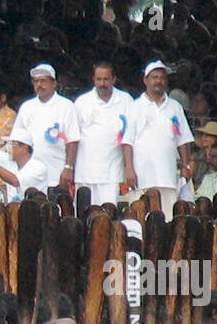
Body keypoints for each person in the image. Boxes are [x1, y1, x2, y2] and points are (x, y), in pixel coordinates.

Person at [125, 60, 193, 216]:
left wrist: (186, 165)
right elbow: (127, 142)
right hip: (141, 175)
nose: (158, 81)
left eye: (162, 78)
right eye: (154, 77)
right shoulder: (134, 107)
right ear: (145, 80)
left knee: (168, 217)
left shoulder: (175, 107)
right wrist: (128, 168)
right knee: (140, 216)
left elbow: (182, 140)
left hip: (167, 176)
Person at [8, 63, 80, 189]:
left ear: (54, 84)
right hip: (29, 172)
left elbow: (72, 140)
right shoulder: (26, 107)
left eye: (43, 81)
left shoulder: (66, 106)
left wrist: (68, 167)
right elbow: (16, 139)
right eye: (36, 81)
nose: (39, 85)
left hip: (56, 171)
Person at [73, 59, 133, 205]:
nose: (102, 83)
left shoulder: (126, 100)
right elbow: (73, 137)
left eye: (106, 79)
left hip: (114, 173)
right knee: (85, 213)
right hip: (85, 172)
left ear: (114, 79)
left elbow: (130, 137)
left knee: (111, 212)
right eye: (99, 79)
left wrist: (129, 166)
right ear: (93, 79)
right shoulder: (82, 102)